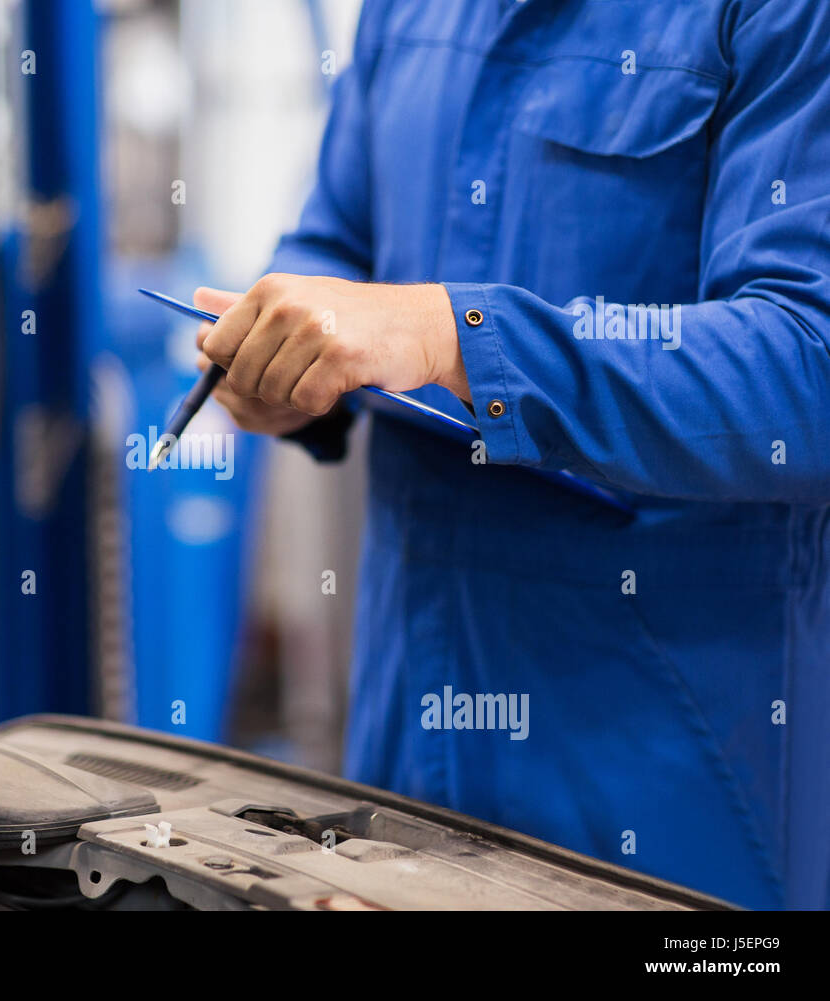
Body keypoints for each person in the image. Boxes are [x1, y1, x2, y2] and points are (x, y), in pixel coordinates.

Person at [195, 0, 830, 909]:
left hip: (676, 775)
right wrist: (276, 363)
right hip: (406, 744)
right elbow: (334, 241)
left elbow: (807, 368)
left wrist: (463, 339)